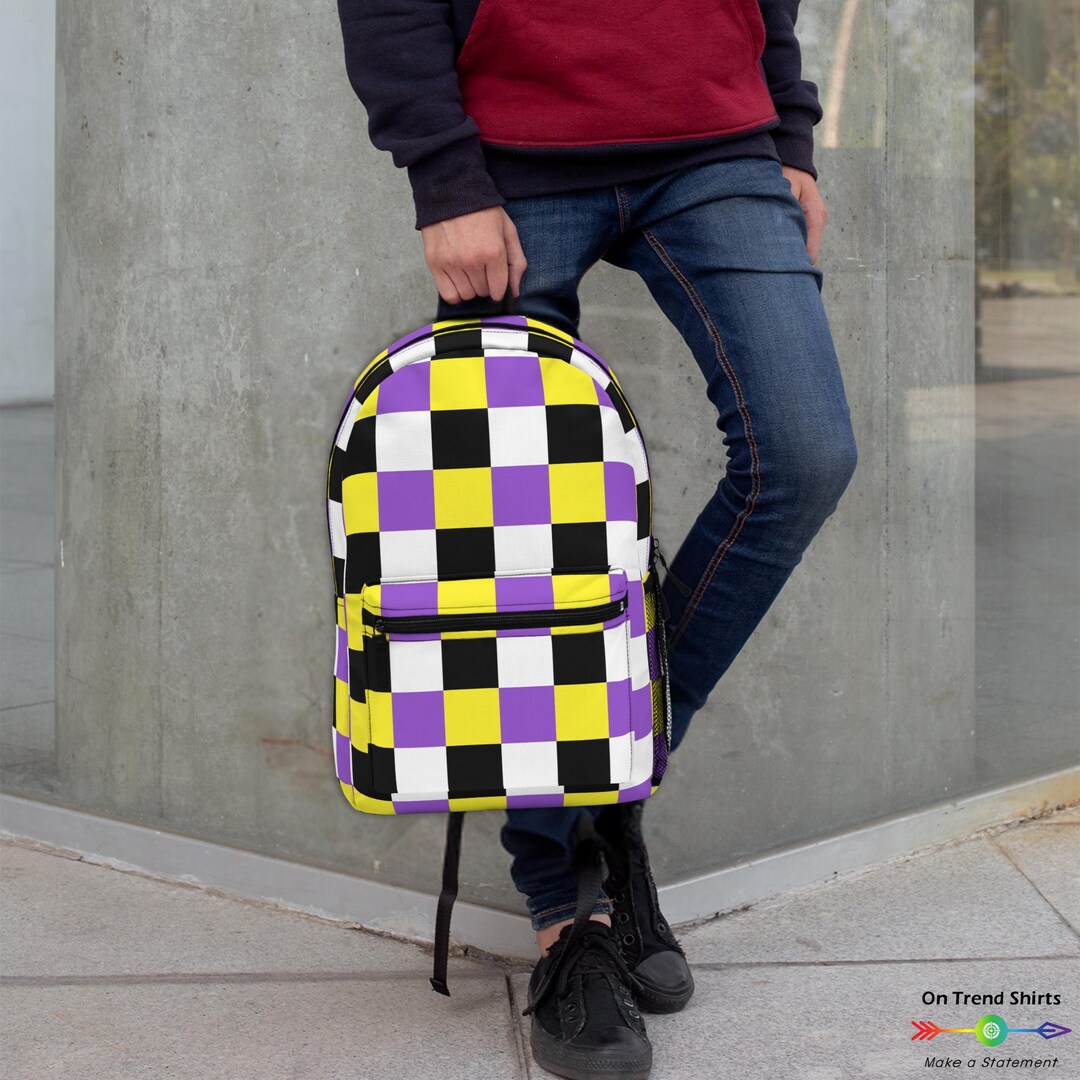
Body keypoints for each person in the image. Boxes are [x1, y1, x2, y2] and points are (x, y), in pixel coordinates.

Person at [335, 3, 858, 1077]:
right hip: (511, 149)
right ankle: (566, 916)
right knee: (511, 541)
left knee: (804, 455)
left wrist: (790, 132)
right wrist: (444, 171)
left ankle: (599, 789)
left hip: (719, 140)